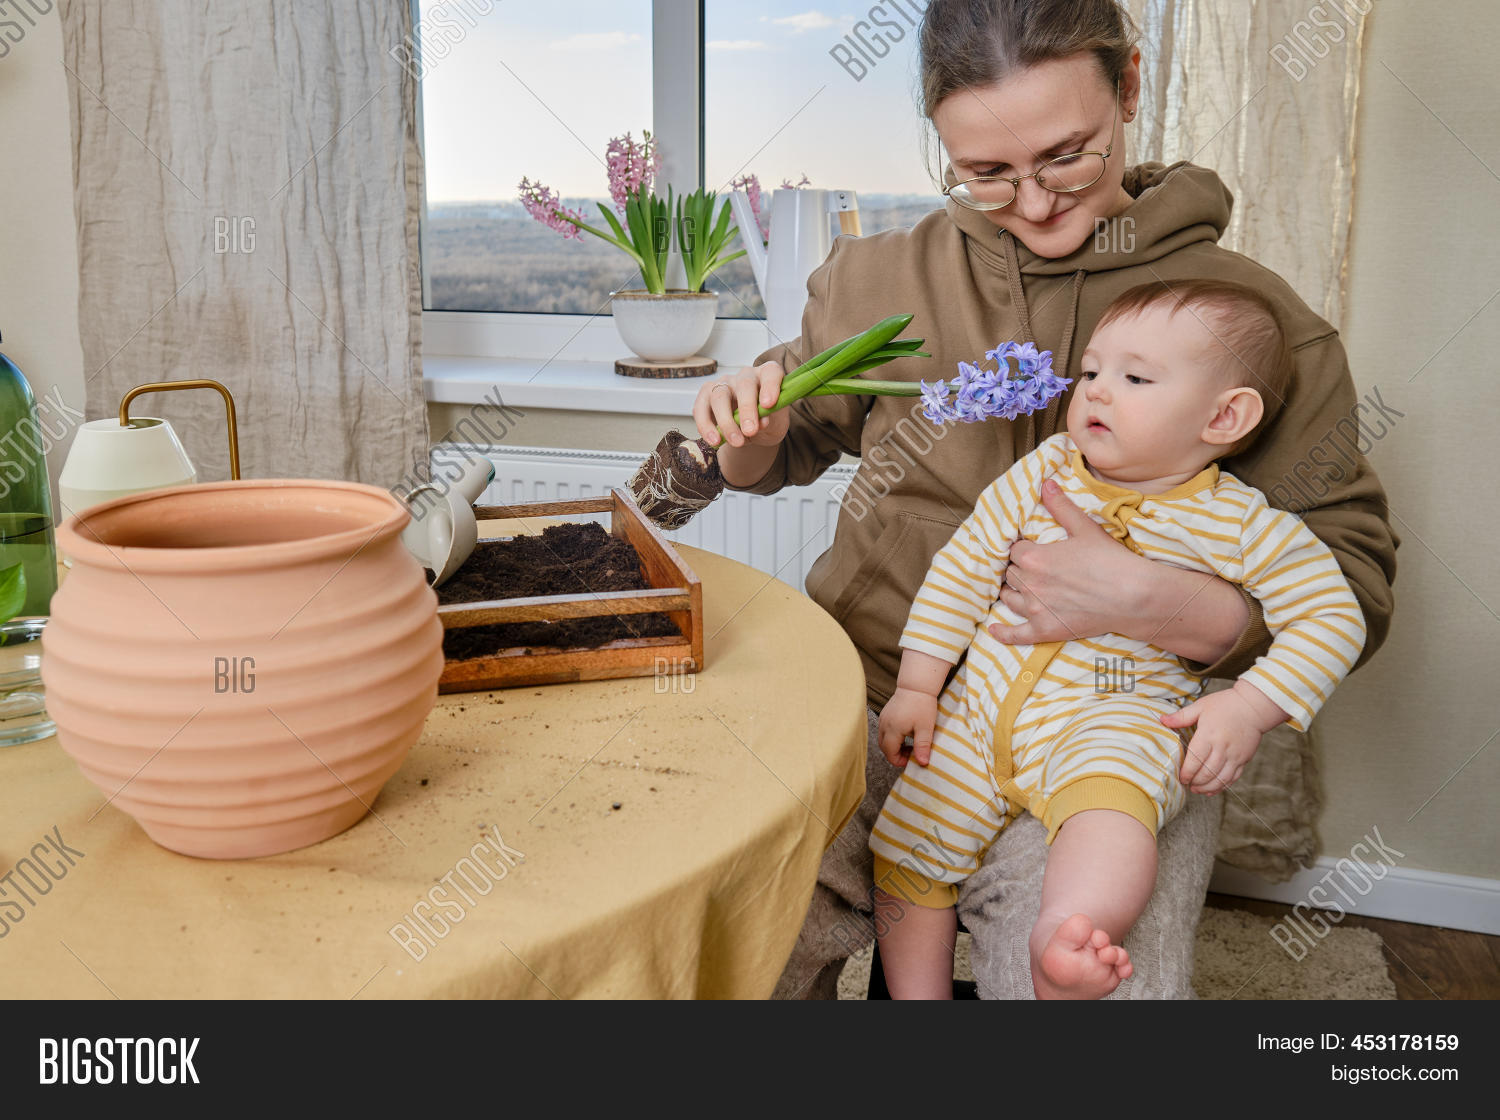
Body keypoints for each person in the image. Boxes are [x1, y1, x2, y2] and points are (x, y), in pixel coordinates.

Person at [692, 0, 1397, 999]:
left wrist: (1170, 606)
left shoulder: (1252, 324)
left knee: (1098, 983)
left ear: (1131, 87)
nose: (1032, 202)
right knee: (724, 933)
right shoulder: (876, 279)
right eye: (984, 172)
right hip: (877, 698)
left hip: (1116, 724)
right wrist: (755, 437)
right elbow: (787, 443)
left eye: (1068, 156)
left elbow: (1352, 575)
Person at [870, 279, 1367, 999]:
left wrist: (1249, 705)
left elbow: (1333, 615)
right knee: (905, 856)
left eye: (1134, 377)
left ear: (1225, 416)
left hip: (1115, 719)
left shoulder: (1241, 523)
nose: (1097, 391)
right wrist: (920, 684)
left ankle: (1065, 939)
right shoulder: (1040, 476)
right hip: (978, 715)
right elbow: (963, 569)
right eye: (1094, 371)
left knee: (1111, 819)